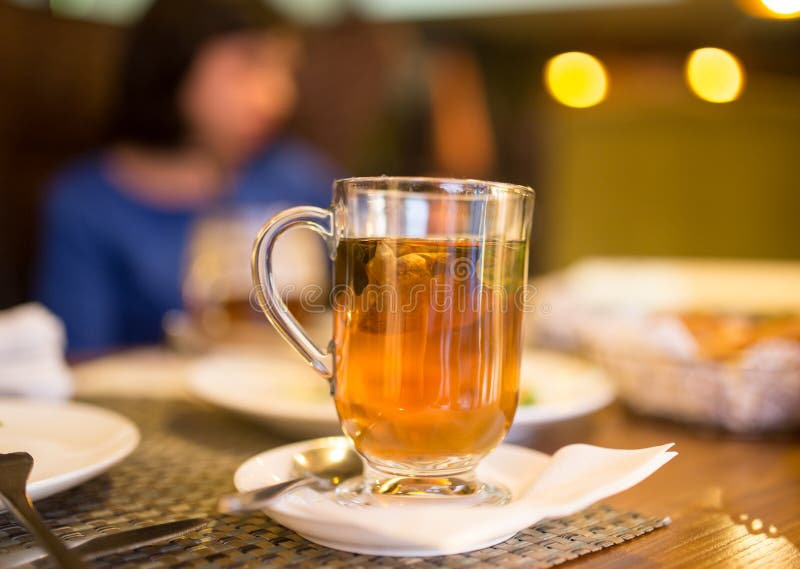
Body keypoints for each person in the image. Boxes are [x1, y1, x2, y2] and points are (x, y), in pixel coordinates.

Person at [36, 0, 337, 354]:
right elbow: (77, 361)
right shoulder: (85, 205)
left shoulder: (299, 179)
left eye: (285, 69)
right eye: (247, 65)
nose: (279, 96)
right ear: (171, 66)